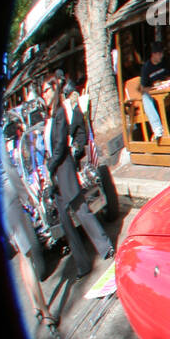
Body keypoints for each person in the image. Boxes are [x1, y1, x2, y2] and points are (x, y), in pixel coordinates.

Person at [41, 75, 114, 277]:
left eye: (46, 90)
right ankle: (82, 264)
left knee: (82, 210)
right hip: (55, 177)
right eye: (42, 92)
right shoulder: (48, 116)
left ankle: (105, 247)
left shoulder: (59, 114)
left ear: (54, 89)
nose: (44, 95)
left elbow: (59, 146)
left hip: (63, 169)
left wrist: (49, 166)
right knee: (65, 222)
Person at [0, 119, 53, 325]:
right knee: (28, 255)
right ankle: (45, 311)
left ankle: (34, 304)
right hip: (8, 197)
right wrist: (26, 196)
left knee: (22, 254)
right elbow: (9, 169)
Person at [139, 43, 170, 140]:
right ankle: (157, 128)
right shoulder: (146, 68)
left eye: (162, 53)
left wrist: (169, 79)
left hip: (168, 90)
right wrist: (153, 88)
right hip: (155, 94)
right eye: (159, 54)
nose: (161, 56)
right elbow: (143, 88)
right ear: (153, 54)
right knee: (145, 97)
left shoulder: (164, 62)